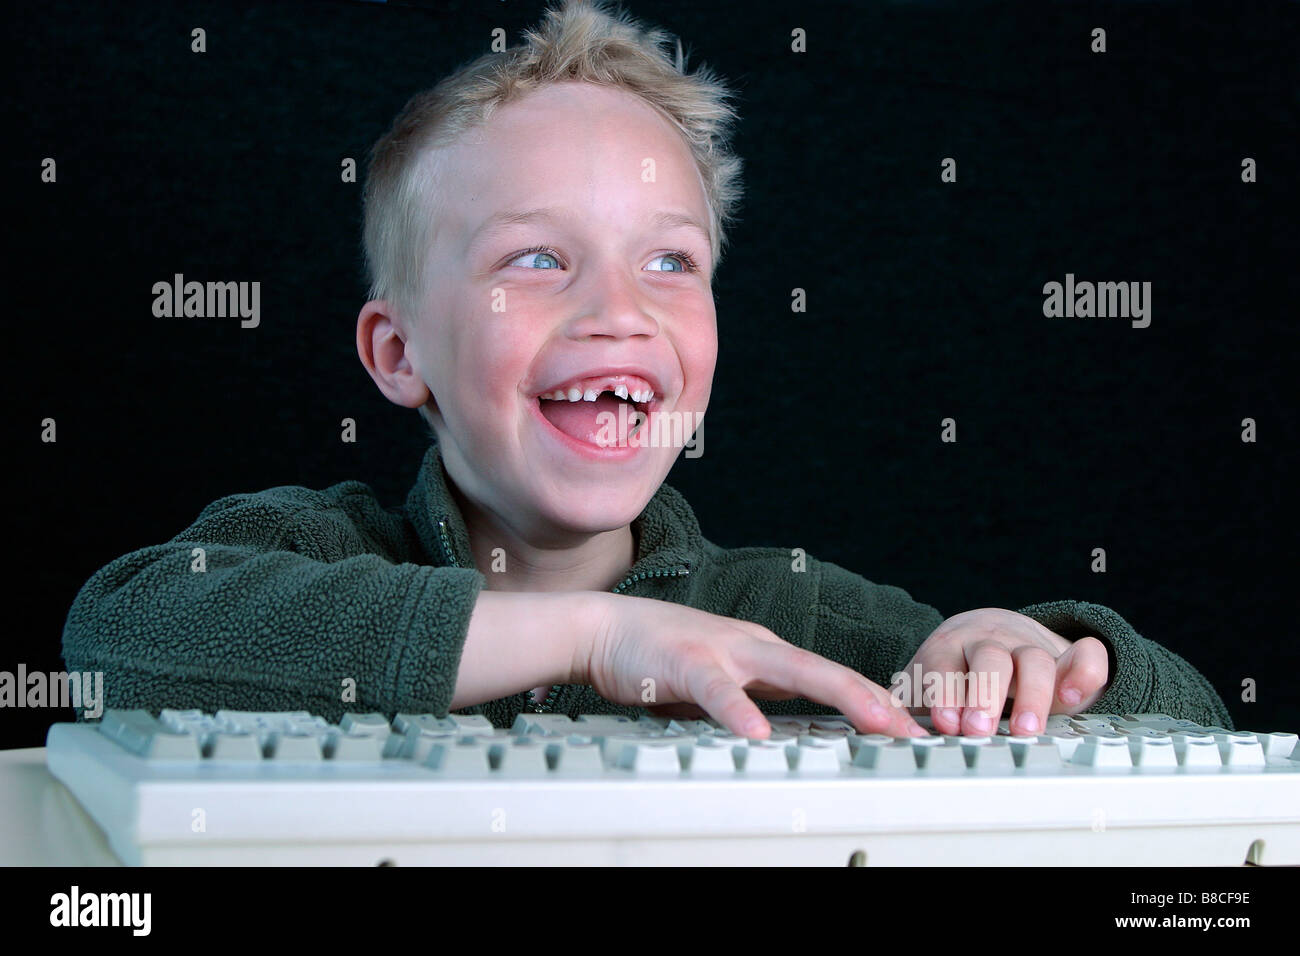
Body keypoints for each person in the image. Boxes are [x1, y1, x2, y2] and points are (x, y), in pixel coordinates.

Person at [62, 0, 1231, 738]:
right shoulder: (316, 547)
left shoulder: (786, 612)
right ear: (397, 353)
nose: (617, 311)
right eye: (537, 257)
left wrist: (1026, 648)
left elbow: (1189, 721)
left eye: (667, 261)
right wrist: (594, 634)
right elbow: (118, 631)